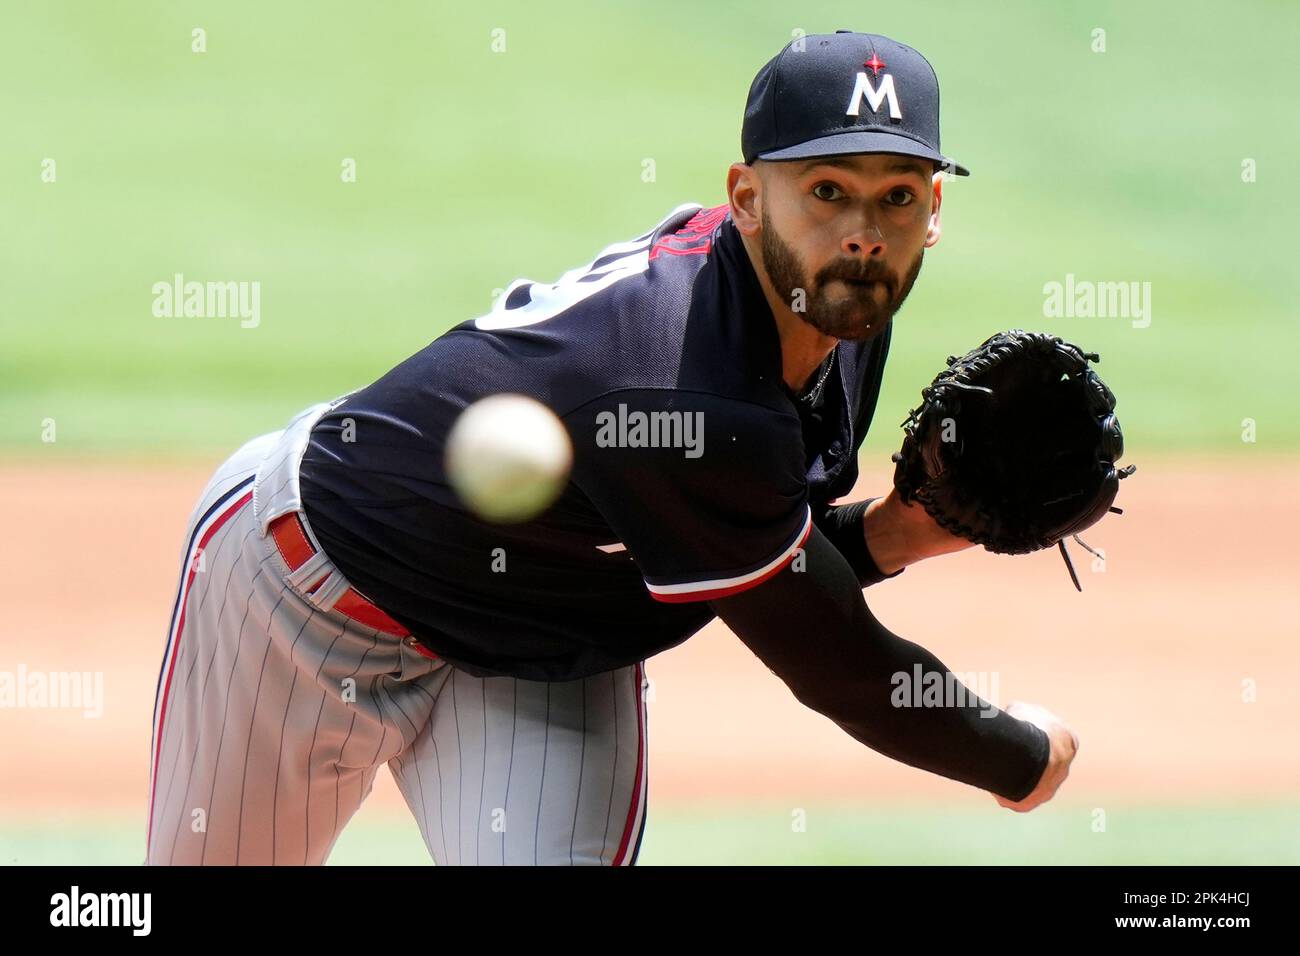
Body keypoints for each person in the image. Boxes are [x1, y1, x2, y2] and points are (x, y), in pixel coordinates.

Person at [146, 30, 1077, 867]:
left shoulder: (838, 312)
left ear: (935, 211)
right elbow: (839, 665)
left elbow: (748, 554)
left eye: (897, 196)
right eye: (826, 191)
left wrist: (898, 533)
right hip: (301, 600)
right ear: (747, 198)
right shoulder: (686, 394)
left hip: (538, 631)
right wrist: (1020, 758)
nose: (864, 233)